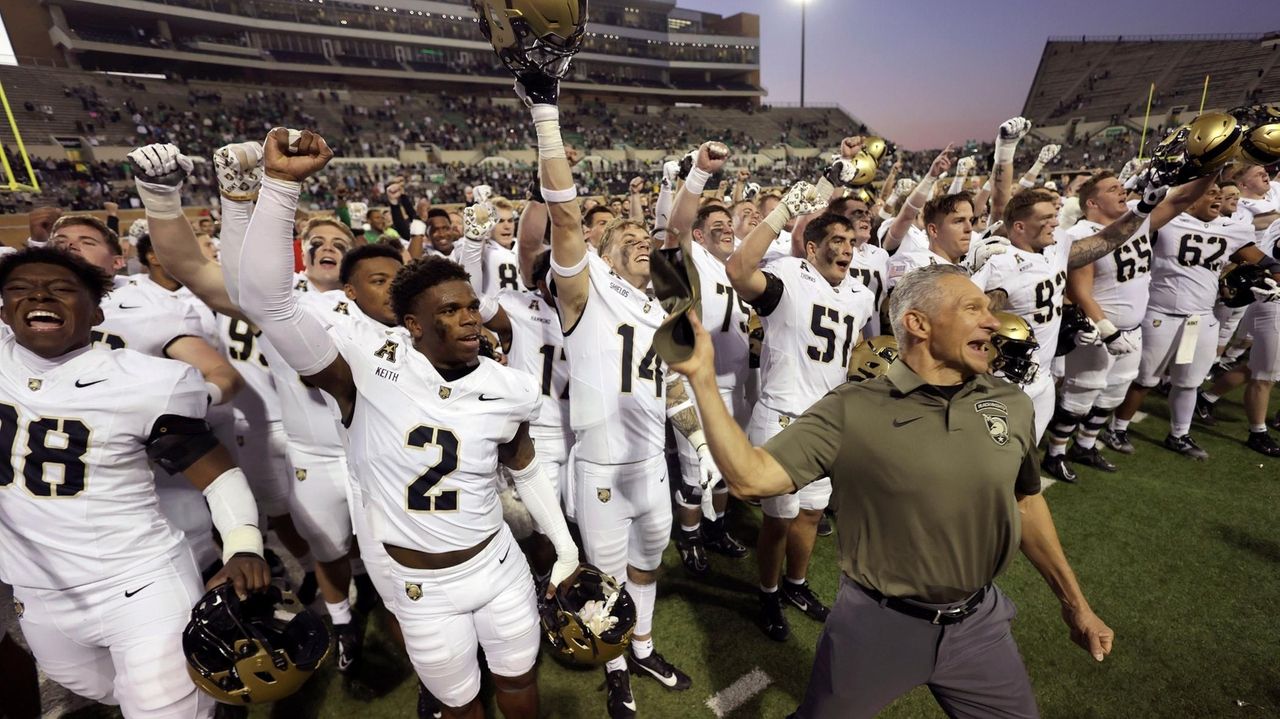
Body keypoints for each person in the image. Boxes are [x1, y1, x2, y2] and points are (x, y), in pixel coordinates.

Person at [667, 263, 1113, 719]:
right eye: (972, 309)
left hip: (979, 626)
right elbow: (751, 478)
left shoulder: (1011, 403)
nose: (992, 322)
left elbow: (1025, 503)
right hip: (876, 627)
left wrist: (1076, 604)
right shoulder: (851, 409)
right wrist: (702, 378)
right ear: (918, 324)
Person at [236, 127, 578, 719]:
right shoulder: (364, 371)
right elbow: (265, 301)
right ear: (412, 324)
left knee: (521, 685)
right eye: (451, 310)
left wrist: (565, 547)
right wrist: (280, 187)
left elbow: (524, 469)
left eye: (471, 307)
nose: (470, 318)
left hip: (498, 564)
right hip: (421, 586)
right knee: (460, 707)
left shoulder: (509, 386)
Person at [0, 246, 270, 719]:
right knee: (109, 693)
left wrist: (244, 546)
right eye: (21, 289)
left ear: (97, 313)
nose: (39, 296)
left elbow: (217, 473)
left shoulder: (145, 380)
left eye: (62, 289)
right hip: (37, 594)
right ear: (4, 311)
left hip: (139, 584)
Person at [527, 71, 703, 717]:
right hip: (600, 467)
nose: (639, 242)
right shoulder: (586, 295)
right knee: (604, 580)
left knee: (647, 565)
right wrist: (546, 116)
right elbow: (565, 218)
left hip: (651, 465)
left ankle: (644, 646)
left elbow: (672, 385)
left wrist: (700, 445)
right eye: (624, 239)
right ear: (599, 256)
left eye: (642, 239)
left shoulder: (658, 307)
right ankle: (616, 666)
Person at [725, 173, 875, 643]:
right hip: (783, 417)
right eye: (836, 240)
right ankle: (768, 592)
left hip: (828, 419)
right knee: (779, 519)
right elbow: (738, 270)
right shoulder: (790, 277)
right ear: (811, 248)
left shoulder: (862, 295)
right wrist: (783, 212)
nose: (847, 249)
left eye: (851, 241)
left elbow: (855, 350)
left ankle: (796, 583)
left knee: (811, 513)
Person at [1108, 182, 1280, 459]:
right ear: (1190, 199)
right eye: (1210, 193)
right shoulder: (1168, 220)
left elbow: (1268, 263)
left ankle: (1179, 434)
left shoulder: (1232, 228)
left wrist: (1272, 282)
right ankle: (1117, 428)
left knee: (1189, 382)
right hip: (1160, 314)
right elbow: (1130, 217)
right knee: (1145, 379)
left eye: (1219, 194)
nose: (1218, 197)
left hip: (1202, 318)